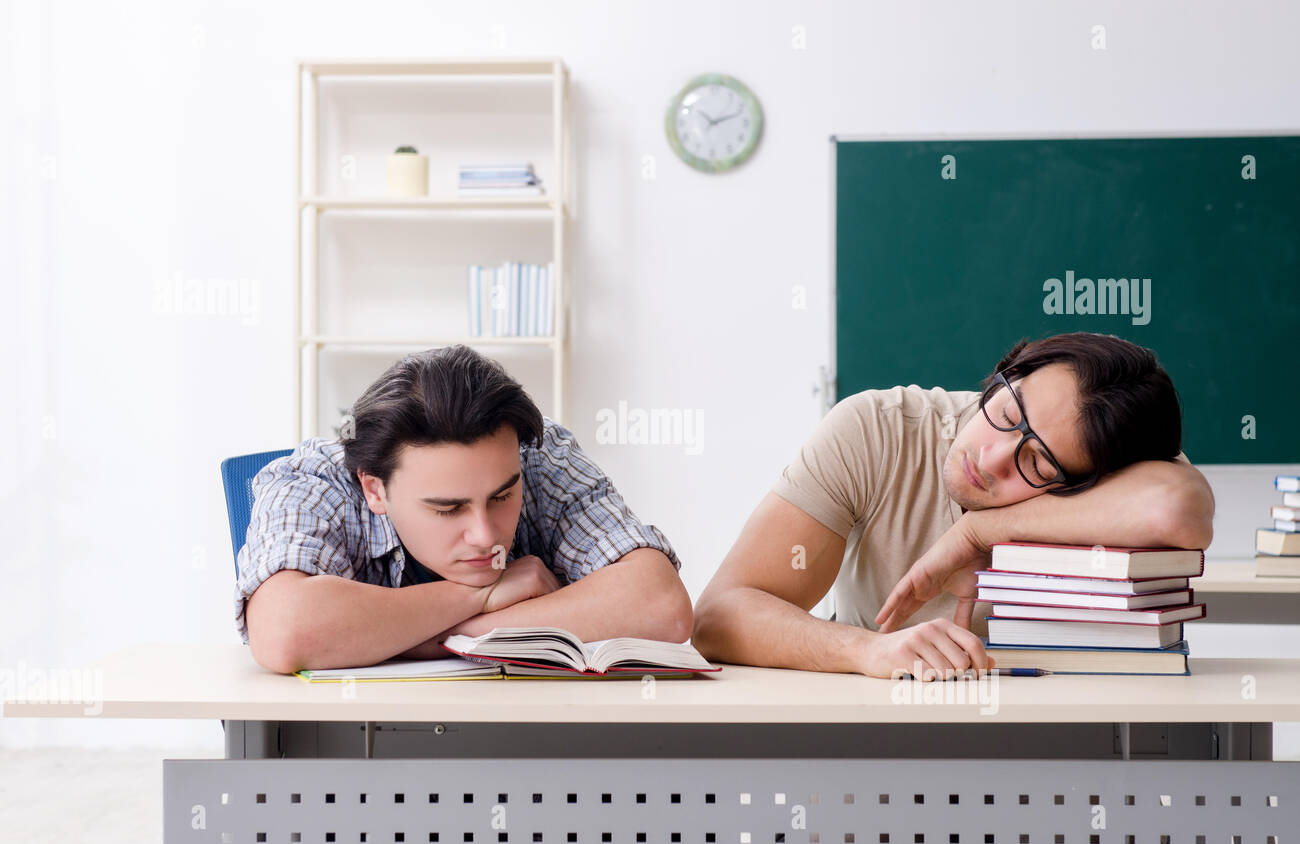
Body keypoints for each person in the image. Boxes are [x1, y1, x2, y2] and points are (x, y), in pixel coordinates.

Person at [692, 332, 1215, 681]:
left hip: (1055, 746)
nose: (989, 459)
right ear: (1007, 372)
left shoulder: (1113, 476)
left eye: (1037, 463)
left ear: (1083, 483)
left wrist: (978, 533)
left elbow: (1175, 509)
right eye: (1008, 412)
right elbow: (718, 616)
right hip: (876, 732)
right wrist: (867, 649)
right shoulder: (879, 429)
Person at [236, 345, 691, 674]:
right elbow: (284, 631)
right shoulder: (311, 480)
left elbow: (660, 604)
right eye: (448, 508)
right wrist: (480, 595)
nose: (484, 535)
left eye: (502, 497)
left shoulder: (539, 454)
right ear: (375, 489)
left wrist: (433, 636)